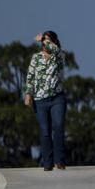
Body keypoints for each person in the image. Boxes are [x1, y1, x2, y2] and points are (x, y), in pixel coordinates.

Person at [23, 30, 68, 171]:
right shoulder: (36, 58)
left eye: (47, 41)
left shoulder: (59, 55)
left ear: (54, 42)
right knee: (45, 131)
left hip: (57, 98)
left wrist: (43, 38)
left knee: (58, 126)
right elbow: (30, 77)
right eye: (43, 42)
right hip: (40, 100)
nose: (44, 44)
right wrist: (28, 94)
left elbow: (53, 49)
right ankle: (47, 163)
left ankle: (59, 161)